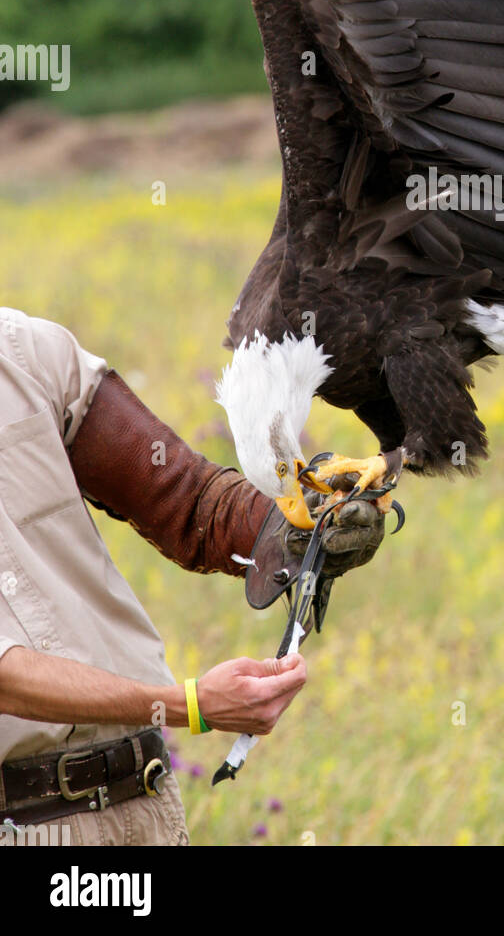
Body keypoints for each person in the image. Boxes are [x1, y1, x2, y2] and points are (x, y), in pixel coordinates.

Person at [0, 307, 382, 845]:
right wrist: (192, 705)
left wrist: (296, 527)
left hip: (144, 803)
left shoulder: (22, 352)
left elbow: (185, 496)